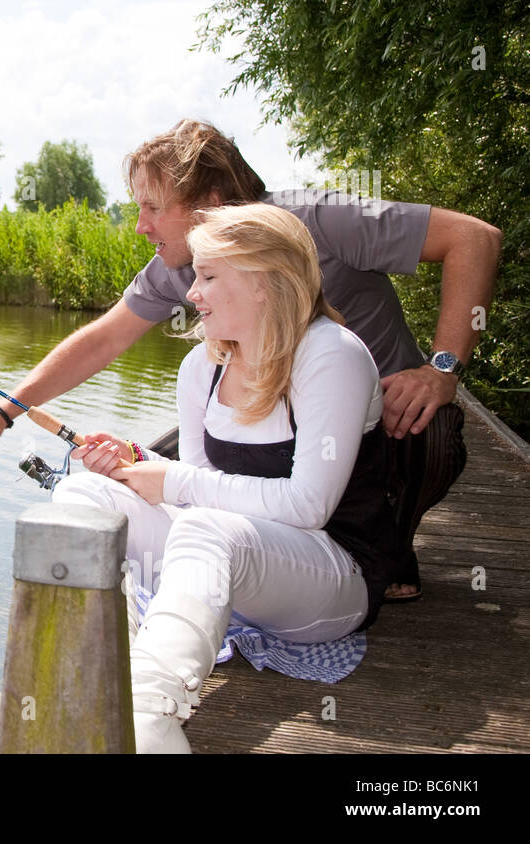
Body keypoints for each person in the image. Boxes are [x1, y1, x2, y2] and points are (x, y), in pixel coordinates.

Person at [0, 120, 502, 603]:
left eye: (154, 207)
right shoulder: (179, 265)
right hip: (265, 442)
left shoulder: (324, 219)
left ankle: (387, 555)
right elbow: (102, 341)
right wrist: (1, 414)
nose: (141, 225)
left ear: (208, 204)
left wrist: (441, 369)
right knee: (142, 474)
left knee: (415, 443)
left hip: (390, 433)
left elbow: (474, 239)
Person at [53, 203, 397, 753]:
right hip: (231, 563)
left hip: (334, 576)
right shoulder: (200, 369)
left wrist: (173, 481)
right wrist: (138, 468)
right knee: (83, 493)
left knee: (210, 527)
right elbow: (196, 493)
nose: (192, 293)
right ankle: (101, 665)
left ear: (267, 281)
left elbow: (309, 507)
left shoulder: (331, 353)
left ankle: (149, 717)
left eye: (209, 276)